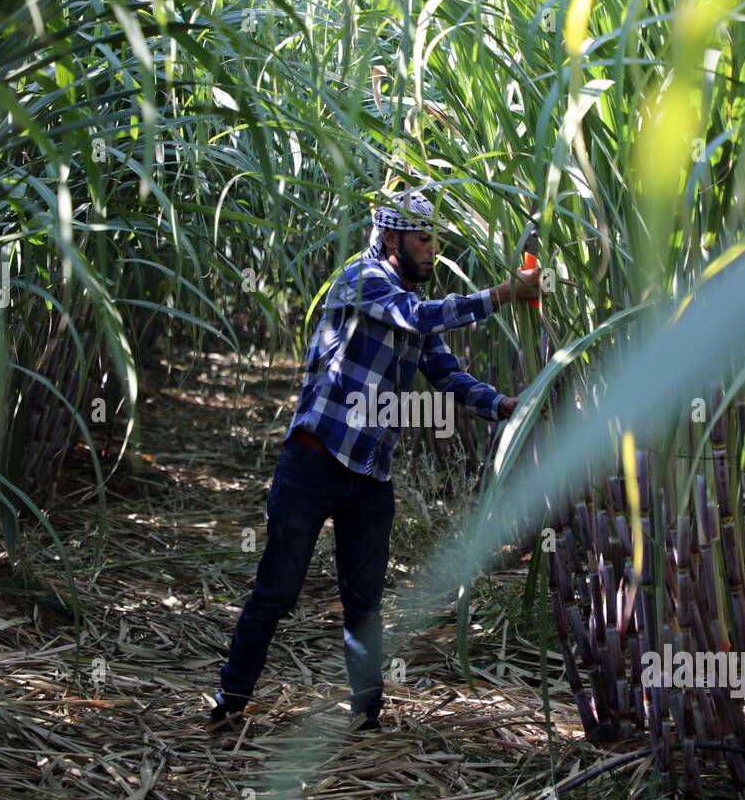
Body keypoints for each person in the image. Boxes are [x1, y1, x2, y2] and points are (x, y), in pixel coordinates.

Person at [208, 188, 541, 735]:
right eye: (422, 239)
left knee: (363, 604)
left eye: (434, 239)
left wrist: (504, 405)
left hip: (368, 476)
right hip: (314, 465)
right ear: (390, 238)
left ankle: (367, 716)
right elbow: (414, 316)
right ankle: (231, 700)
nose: (431, 250)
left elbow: (444, 372)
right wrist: (506, 293)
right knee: (276, 592)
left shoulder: (407, 295)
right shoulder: (363, 281)